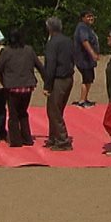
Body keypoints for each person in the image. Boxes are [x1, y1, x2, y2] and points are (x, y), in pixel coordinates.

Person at [0, 28, 41, 147]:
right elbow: (39, 66)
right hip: (27, 87)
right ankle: (27, 138)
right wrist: (47, 82)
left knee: (13, 114)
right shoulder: (29, 50)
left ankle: (16, 140)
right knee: (23, 112)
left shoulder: (6, 51)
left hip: (12, 87)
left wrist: (4, 81)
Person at [42, 17, 75, 151]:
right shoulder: (68, 41)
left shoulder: (52, 43)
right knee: (57, 109)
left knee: (54, 111)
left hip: (58, 79)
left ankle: (62, 140)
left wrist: (47, 85)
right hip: (68, 78)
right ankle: (54, 137)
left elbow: (51, 65)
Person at [71, 10, 99, 108]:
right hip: (83, 59)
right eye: (88, 16)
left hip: (87, 60)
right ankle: (82, 101)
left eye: (92, 16)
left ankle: (85, 98)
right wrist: (93, 54)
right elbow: (84, 41)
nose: (91, 18)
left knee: (89, 78)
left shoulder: (87, 28)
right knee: (86, 78)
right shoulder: (82, 27)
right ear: (83, 18)